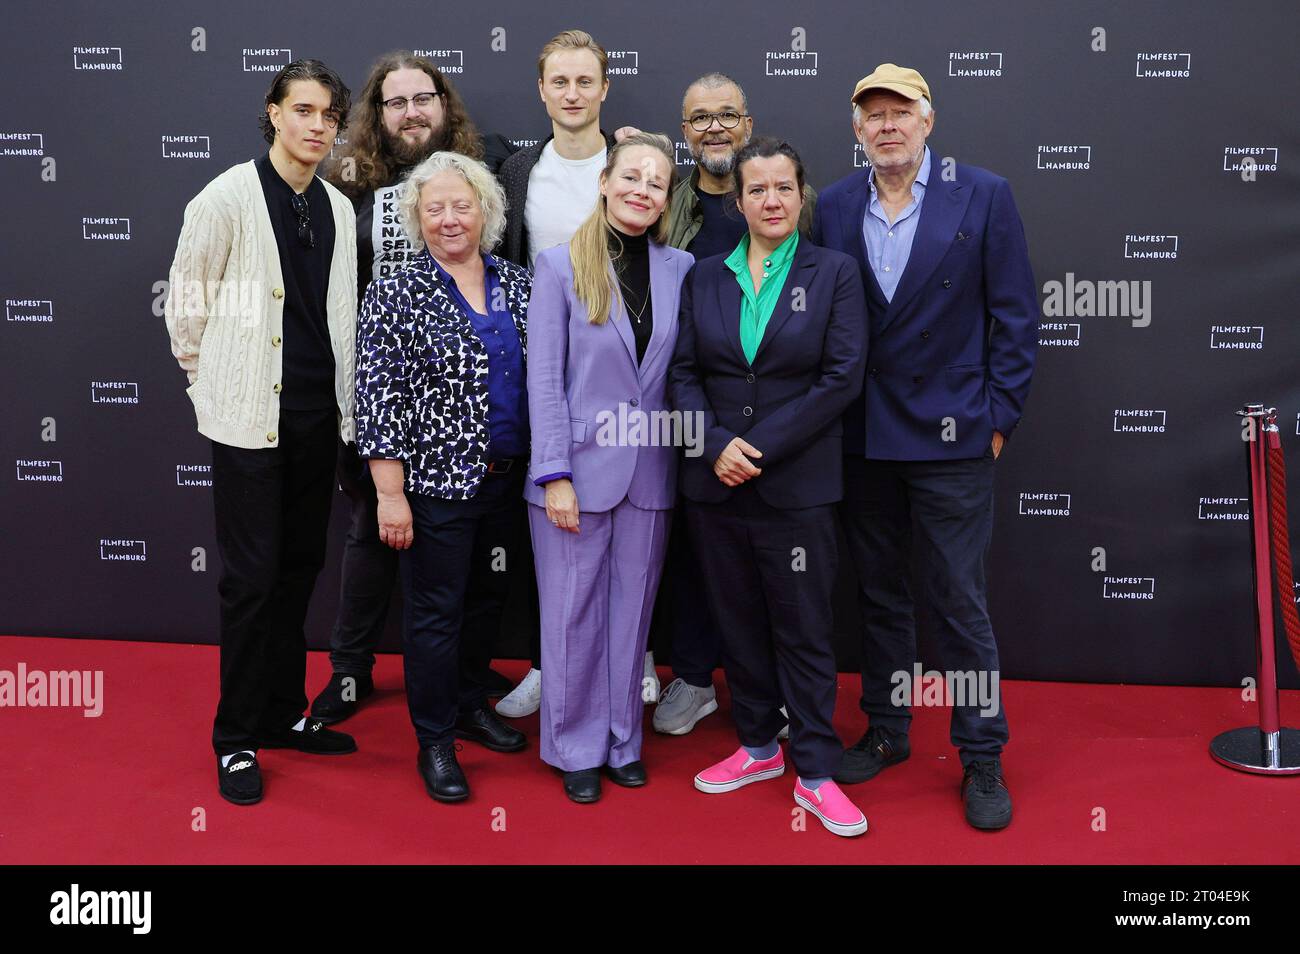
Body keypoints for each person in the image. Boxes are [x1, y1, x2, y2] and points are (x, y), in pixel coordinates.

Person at [812, 64, 1037, 830]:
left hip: (952, 438)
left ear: (928, 121)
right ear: (856, 130)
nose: (886, 125)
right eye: (871, 114)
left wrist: (996, 420)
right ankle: (887, 728)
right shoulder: (835, 205)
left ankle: (981, 755)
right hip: (863, 437)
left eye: (900, 112)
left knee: (959, 601)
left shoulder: (986, 195)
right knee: (878, 594)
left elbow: (1016, 317)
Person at [163, 59, 359, 806]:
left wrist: (342, 409)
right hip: (249, 425)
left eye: (328, 116)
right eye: (302, 110)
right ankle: (236, 738)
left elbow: (337, 318)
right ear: (273, 112)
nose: (316, 126)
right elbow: (187, 309)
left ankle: (281, 714)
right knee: (250, 582)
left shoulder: (338, 209)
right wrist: (208, 386)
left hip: (318, 420)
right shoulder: (225, 199)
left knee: (300, 570)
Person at [312, 51, 519, 725]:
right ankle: (350, 672)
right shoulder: (348, 187)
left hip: (469, 413)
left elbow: (555, 157)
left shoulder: (485, 165)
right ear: (377, 114)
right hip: (377, 390)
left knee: (473, 568)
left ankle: (463, 683)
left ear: (443, 103)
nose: (411, 112)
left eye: (422, 98)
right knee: (373, 536)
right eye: (395, 102)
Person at [670, 137, 869, 837]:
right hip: (716, 485)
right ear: (741, 198)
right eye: (757, 190)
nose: (772, 200)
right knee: (740, 625)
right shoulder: (705, 276)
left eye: (783, 187)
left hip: (797, 486)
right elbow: (683, 374)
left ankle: (815, 769)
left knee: (805, 629)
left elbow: (841, 377)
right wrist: (715, 445)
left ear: (801, 192)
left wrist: (758, 447)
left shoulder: (834, 271)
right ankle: (757, 746)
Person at [354, 151, 533, 802]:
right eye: (436, 209)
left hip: (508, 481)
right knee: (435, 614)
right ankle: (435, 740)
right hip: (433, 489)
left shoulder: (520, 282)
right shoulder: (396, 291)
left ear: (486, 212)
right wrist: (389, 493)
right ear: (416, 219)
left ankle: (467, 704)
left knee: (487, 600)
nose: (451, 219)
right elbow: (379, 398)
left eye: (463, 206)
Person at [525, 133, 692, 803]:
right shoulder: (559, 266)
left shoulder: (681, 268)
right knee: (571, 618)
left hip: (650, 476)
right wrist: (554, 473)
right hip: (574, 475)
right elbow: (544, 380)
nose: (642, 190)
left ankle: (623, 739)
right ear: (604, 181)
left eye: (656, 182)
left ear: (665, 198)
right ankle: (575, 746)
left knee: (632, 617)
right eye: (631, 177)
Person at [496, 29, 656, 718]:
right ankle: (548, 660)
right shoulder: (517, 171)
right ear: (542, 89)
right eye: (559, 81)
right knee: (550, 525)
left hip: (623, 381)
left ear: (604, 87)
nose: (571, 93)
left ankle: (635, 655)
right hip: (541, 373)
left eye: (584, 81)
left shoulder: (635, 167)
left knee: (635, 529)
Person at [654, 72, 816, 736]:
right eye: (699, 118)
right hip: (683, 413)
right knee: (693, 560)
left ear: (748, 126)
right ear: (684, 132)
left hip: (777, 430)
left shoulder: (787, 204)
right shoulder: (664, 204)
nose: (714, 127)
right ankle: (694, 678)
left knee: (779, 573)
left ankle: (776, 698)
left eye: (727, 115)